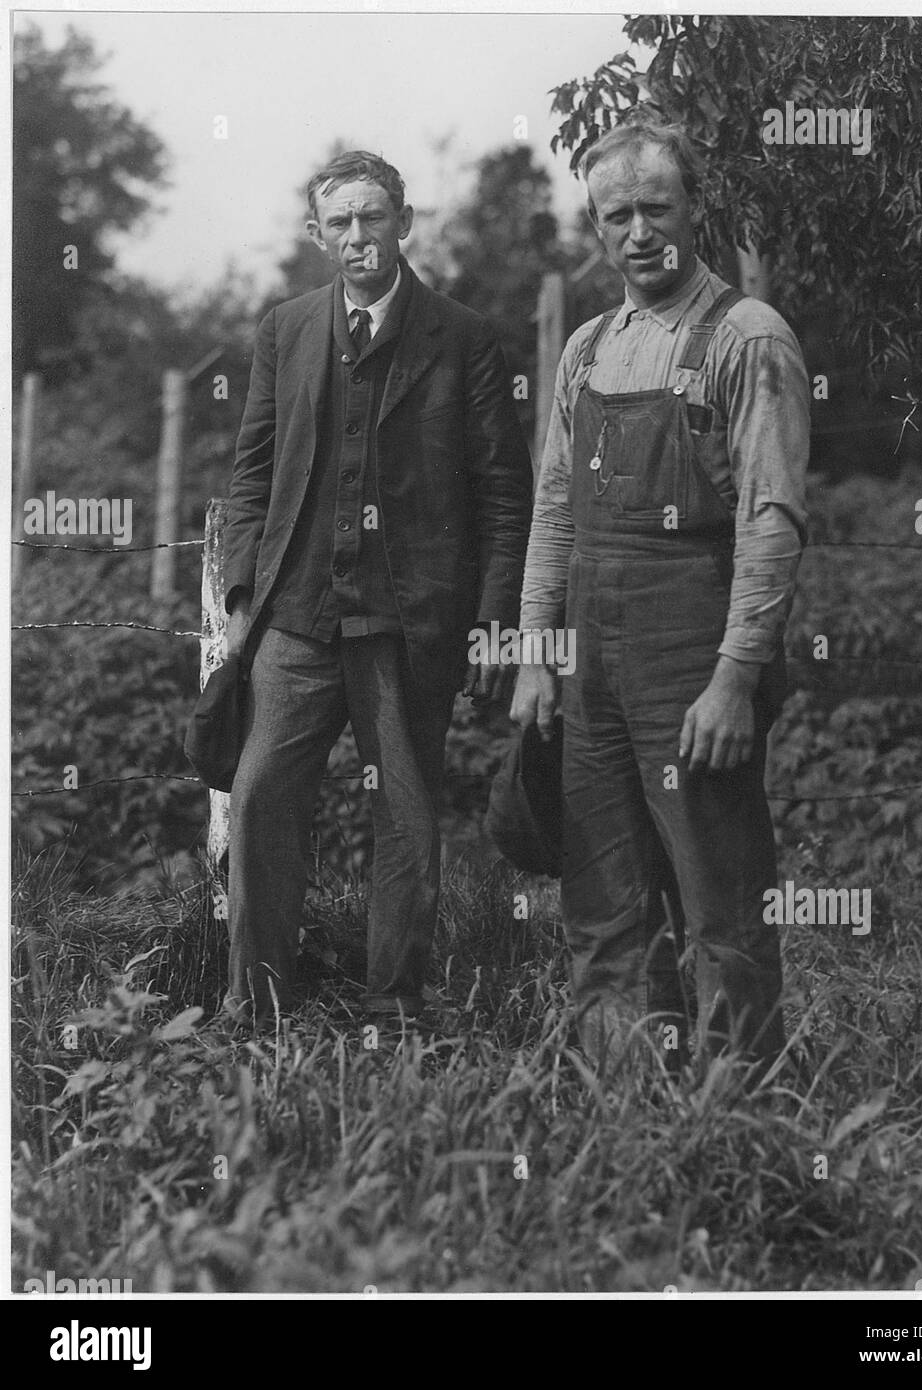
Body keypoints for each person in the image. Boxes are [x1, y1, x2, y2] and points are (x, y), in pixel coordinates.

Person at [511, 116, 809, 1077]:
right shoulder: (588, 348)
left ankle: (739, 1114)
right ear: (596, 228)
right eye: (616, 216)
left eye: (655, 208)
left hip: (692, 654)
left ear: (695, 208)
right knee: (603, 901)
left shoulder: (747, 337)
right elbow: (554, 510)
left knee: (720, 897)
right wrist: (536, 656)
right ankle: (625, 1105)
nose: (638, 232)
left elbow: (772, 519)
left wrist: (734, 679)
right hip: (591, 666)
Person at [223, 150, 532, 1028]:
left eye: (373, 216)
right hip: (296, 616)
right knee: (260, 795)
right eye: (340, 222)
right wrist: (241, 596)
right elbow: (251, 474)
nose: (358, 235)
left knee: (405, 813)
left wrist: (493, 620)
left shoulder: (462, 336)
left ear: (404, 222)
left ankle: (392, 1011)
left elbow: (504, 495)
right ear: (317, 235)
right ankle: (257, 1009)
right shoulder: (285, 329)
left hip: (410, 619)